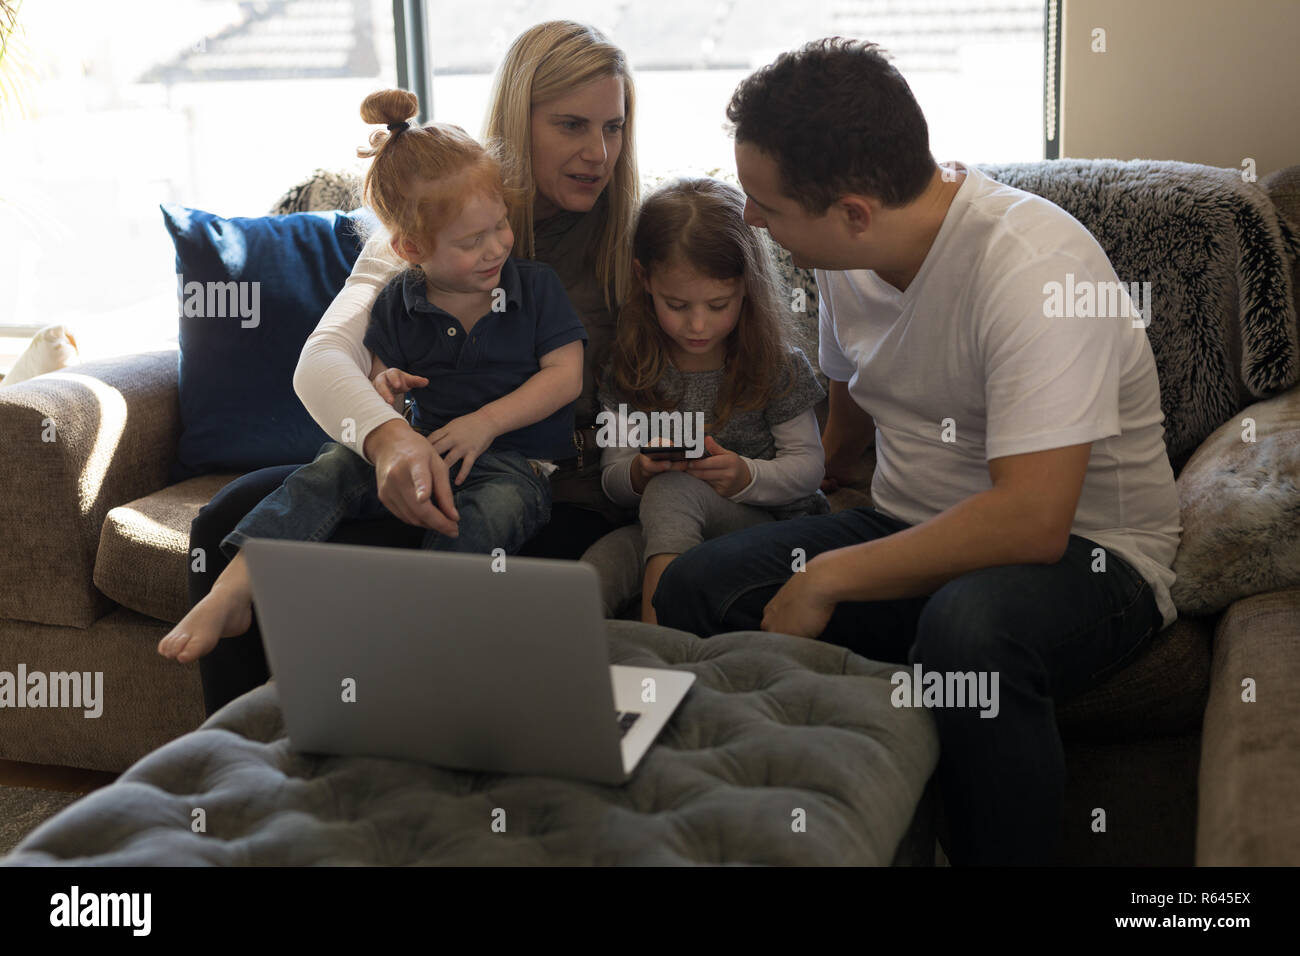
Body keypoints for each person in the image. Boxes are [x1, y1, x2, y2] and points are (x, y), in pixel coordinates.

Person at [652, 38, 1181, 866]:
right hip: (908, 525)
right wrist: (803, 503)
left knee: (966, 631)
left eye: (766, 204)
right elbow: (851, 408)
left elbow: (1033, 522)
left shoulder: (1033, 269)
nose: (750, 219)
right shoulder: (842, 254)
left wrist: (823, 576)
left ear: (855, 210)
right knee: (696, 587)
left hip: (1090, 558)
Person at [186, 21, 640, 712]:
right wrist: (388, 432)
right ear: (522, 119)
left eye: (614, 127)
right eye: (572, 125)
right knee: (230, 515)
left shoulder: (631, 235)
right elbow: (328, 360)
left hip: (553, 487)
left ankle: (414, 711)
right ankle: (249, 769)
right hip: (430, 455)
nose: (598, 152)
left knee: (457, 540)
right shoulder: (434, 207)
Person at [158, 91, 587, 664]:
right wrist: (387, 392)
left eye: (501, 226)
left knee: (489, 515)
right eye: (471, 241)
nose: (496, 248)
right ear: (409, 248)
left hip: (513, 462)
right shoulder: (397, 301)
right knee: (329, 468)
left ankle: (421, 629)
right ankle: (236, 587)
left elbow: (565, 376)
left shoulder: (533, 287)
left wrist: (485, 423)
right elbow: (373, 370)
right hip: (423, 452)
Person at [583, 177, 826, 623]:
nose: (697, 325)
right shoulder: (629, 365)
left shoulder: (776, 364)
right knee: (594, 571)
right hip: (665, 526)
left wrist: (744, 475)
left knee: (674, 490)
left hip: (764, 530)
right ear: (645, 279)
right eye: (678, 305)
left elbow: (809, 470)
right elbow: (612, 477)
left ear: (746, 289)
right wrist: (638, 471)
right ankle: (576, 670)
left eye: (718, 306)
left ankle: (662, 654)